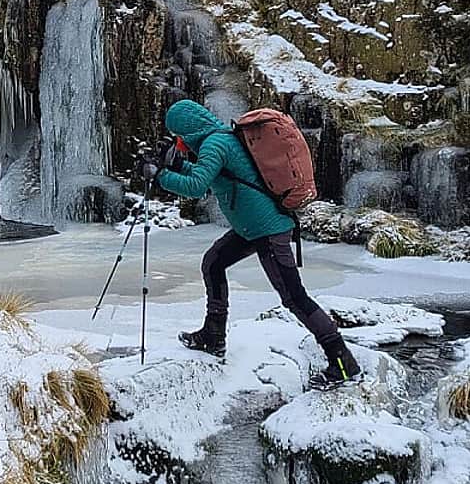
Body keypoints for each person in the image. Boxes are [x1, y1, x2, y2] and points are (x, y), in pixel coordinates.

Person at [136, 99, 362, 389]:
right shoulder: (220, 140)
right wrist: (178, 163)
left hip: (267, 230)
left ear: (187, 129)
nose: (179, 142)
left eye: (179, 135)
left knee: (295, 297)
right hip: (252, 227)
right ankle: (213, 337)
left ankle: (343, 362)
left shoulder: (215, 144)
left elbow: (195, 187)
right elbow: (209, 175)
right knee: (214, 263)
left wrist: (160, 175)